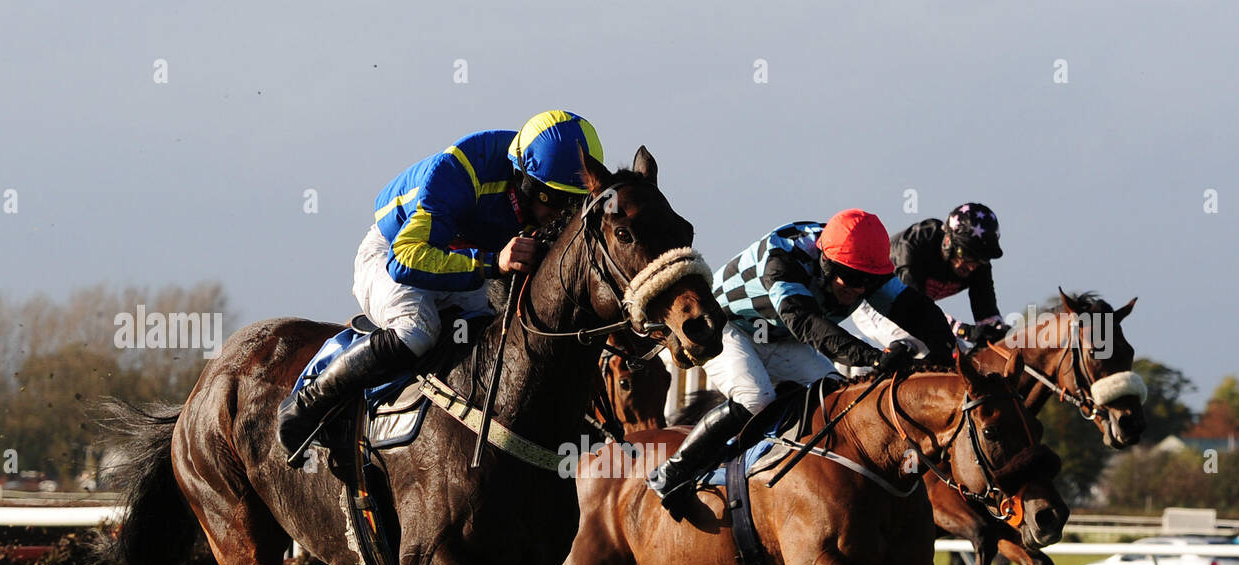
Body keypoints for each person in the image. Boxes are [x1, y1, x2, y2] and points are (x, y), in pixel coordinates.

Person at [278, 110, 603, 460]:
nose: (564, 215)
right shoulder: (457, 172)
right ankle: (309, 404)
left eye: (576, 204)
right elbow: (404, 260)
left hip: (459, 258)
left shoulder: (542, 168)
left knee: (495, 333)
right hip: (393, 252)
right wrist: (494, 262)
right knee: (417, 331)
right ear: (529, 186)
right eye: (559, 203)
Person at [647, 208, 958, 516]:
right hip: (726, 326)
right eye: (849, 278)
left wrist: (946, 363)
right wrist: (875, 359)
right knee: (756, 397)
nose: (858, 289)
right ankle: (672, 472)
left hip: (776, 333)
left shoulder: (860, 263)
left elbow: (920, 312)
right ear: (825, 261)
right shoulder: (783, 259)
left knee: (833, 398)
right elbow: (809, 326)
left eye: (867, 280)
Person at [889, 202, 1008, 347]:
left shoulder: (980, 266)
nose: (971, 266)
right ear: (948, 241)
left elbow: (988, 316)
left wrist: (1002, 334)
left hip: (915, 310)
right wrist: (963, 330)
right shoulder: (916, 244)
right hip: (875, 302)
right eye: (966, 253)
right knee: (921, 345)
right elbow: (914, 307)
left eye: (981, 258)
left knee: (961, 356)